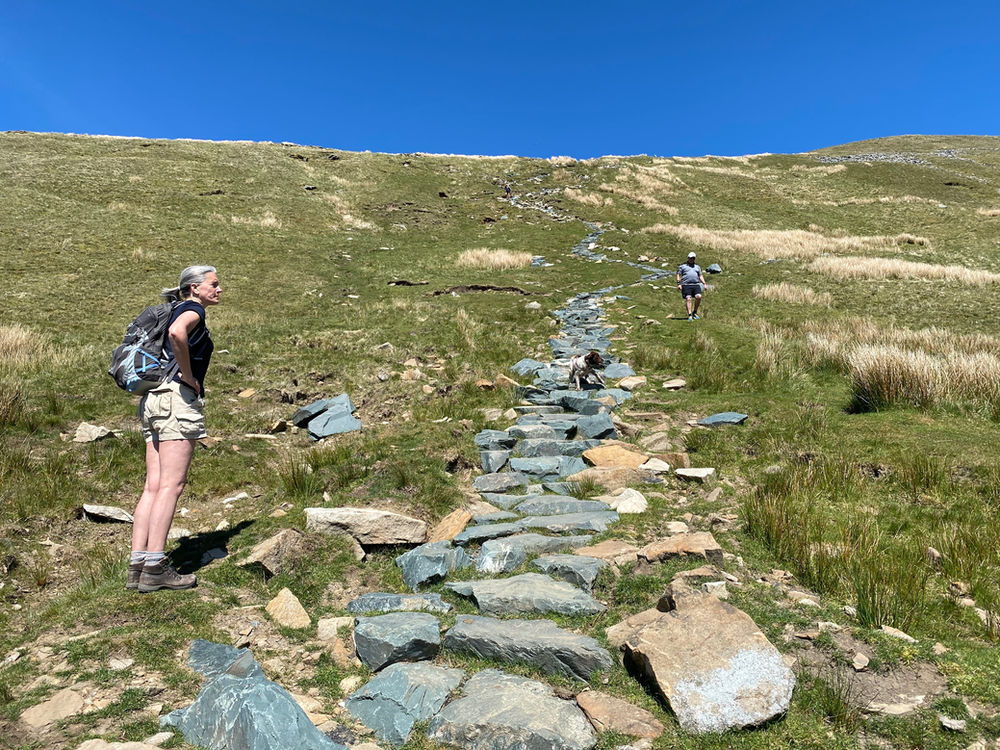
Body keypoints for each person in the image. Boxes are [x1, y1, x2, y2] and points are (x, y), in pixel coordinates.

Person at [128, 265, 221, 592]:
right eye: (214, 284)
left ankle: (137, 565)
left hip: (152, 401)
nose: (219, 289)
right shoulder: (192, 310)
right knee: (171, 485)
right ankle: (155, 566)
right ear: (194, 288)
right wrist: (187, 375)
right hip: (175, 401)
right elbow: (177, 334)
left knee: (153, 486)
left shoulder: (171, 309)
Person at [676, 252, 706, 321]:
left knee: (698, 297)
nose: (691, 259)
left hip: (695, 284)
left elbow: (700, 275)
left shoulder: (697, 267)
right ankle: (689, 315)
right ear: (688, 258)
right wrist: (679, 284)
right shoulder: (683, 266)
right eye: (690, 258)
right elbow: (678, 274)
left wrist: (704, 283)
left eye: (693, 258)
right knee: (688, 298)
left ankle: (694, 312)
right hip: (686, 285)